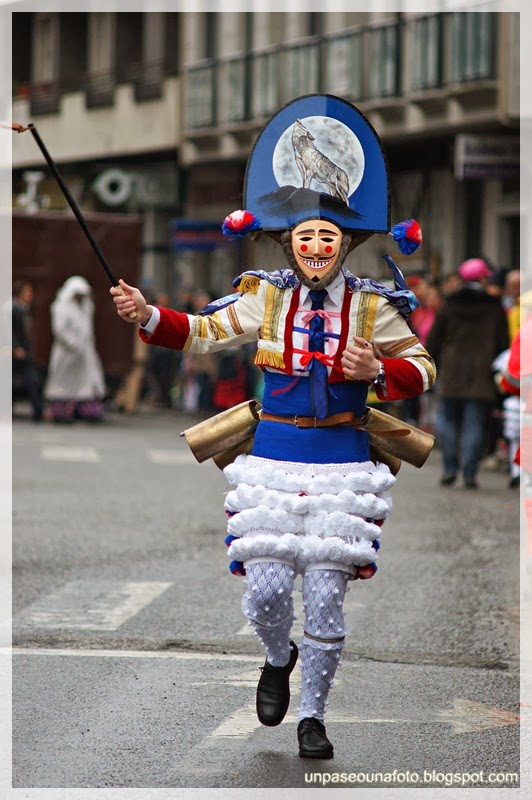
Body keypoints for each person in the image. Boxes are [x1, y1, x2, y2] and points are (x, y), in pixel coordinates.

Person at [111, 94, 436, 759]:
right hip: (274, 456)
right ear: (289, 241)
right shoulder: (266, 296)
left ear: (346, 243)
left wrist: (378, 368)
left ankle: (313, 716)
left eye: (329, 237)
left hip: (343, 462)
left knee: (323, 595)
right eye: (306, 236)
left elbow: (425, 369)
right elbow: (202, 333)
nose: (317, 246)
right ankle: (275, 655)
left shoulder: (376, 307)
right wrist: (147, 314)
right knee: (263, 591)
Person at [426, 257, 509, 489]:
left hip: (452, 370)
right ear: (483, 278)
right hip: (481, 371)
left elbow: (434, 339)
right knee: (475, 424)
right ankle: (470, 473)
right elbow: (503, 343)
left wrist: (432, 364)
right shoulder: (494, 306)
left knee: (449, 421)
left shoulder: (449, 304)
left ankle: (450, 469)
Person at [44, 275, 106, 422]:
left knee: (86, 384)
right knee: (63, 384)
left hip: (85, 353)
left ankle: (85, 411)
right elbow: (60, 330)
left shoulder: (86, 307)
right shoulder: (61, 307)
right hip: (67, 353)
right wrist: (74, 344)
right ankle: (61, 412)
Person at [11, 280, 43, 422]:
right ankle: (38, 411)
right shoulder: (14, 309)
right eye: (27, 292)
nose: (30, 295)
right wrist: (16, 347)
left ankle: (38, 411)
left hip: (22, 352)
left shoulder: (22, 308)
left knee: (27, 380)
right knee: (30, 380)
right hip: (16, 352)